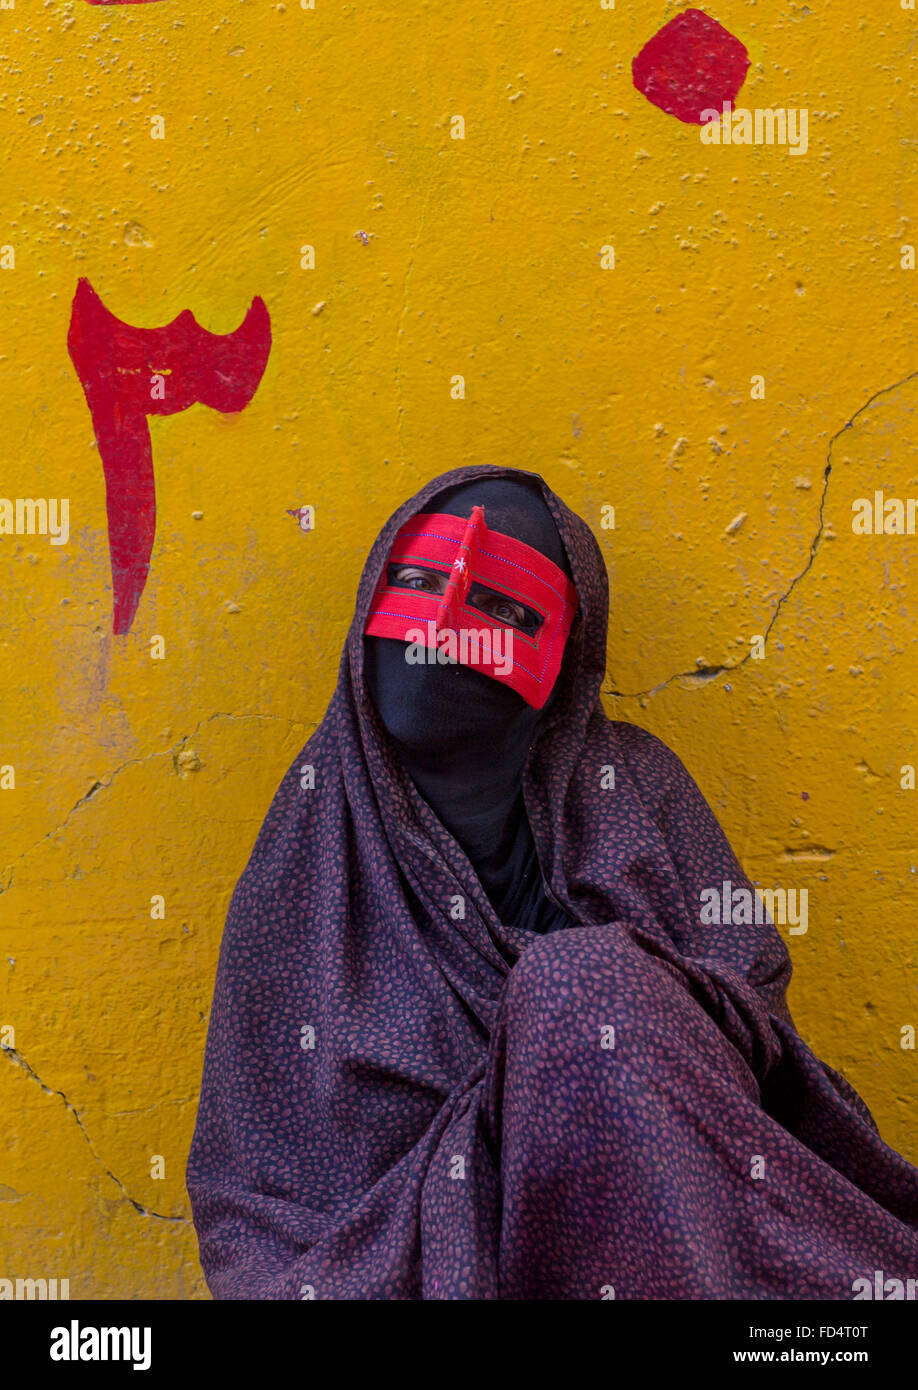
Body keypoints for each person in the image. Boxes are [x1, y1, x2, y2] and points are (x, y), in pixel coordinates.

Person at [186, 463, 918, 1299]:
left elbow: (753, 1014)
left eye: (503, 608)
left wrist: (588, 1025)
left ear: (564, 653)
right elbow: (255, 1187)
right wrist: (479, 1155)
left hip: (663, 1240)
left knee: (580, 985)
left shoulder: (634, 787)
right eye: (418, 584)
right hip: (401, 1267)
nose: (442, 632)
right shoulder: (314, 834)